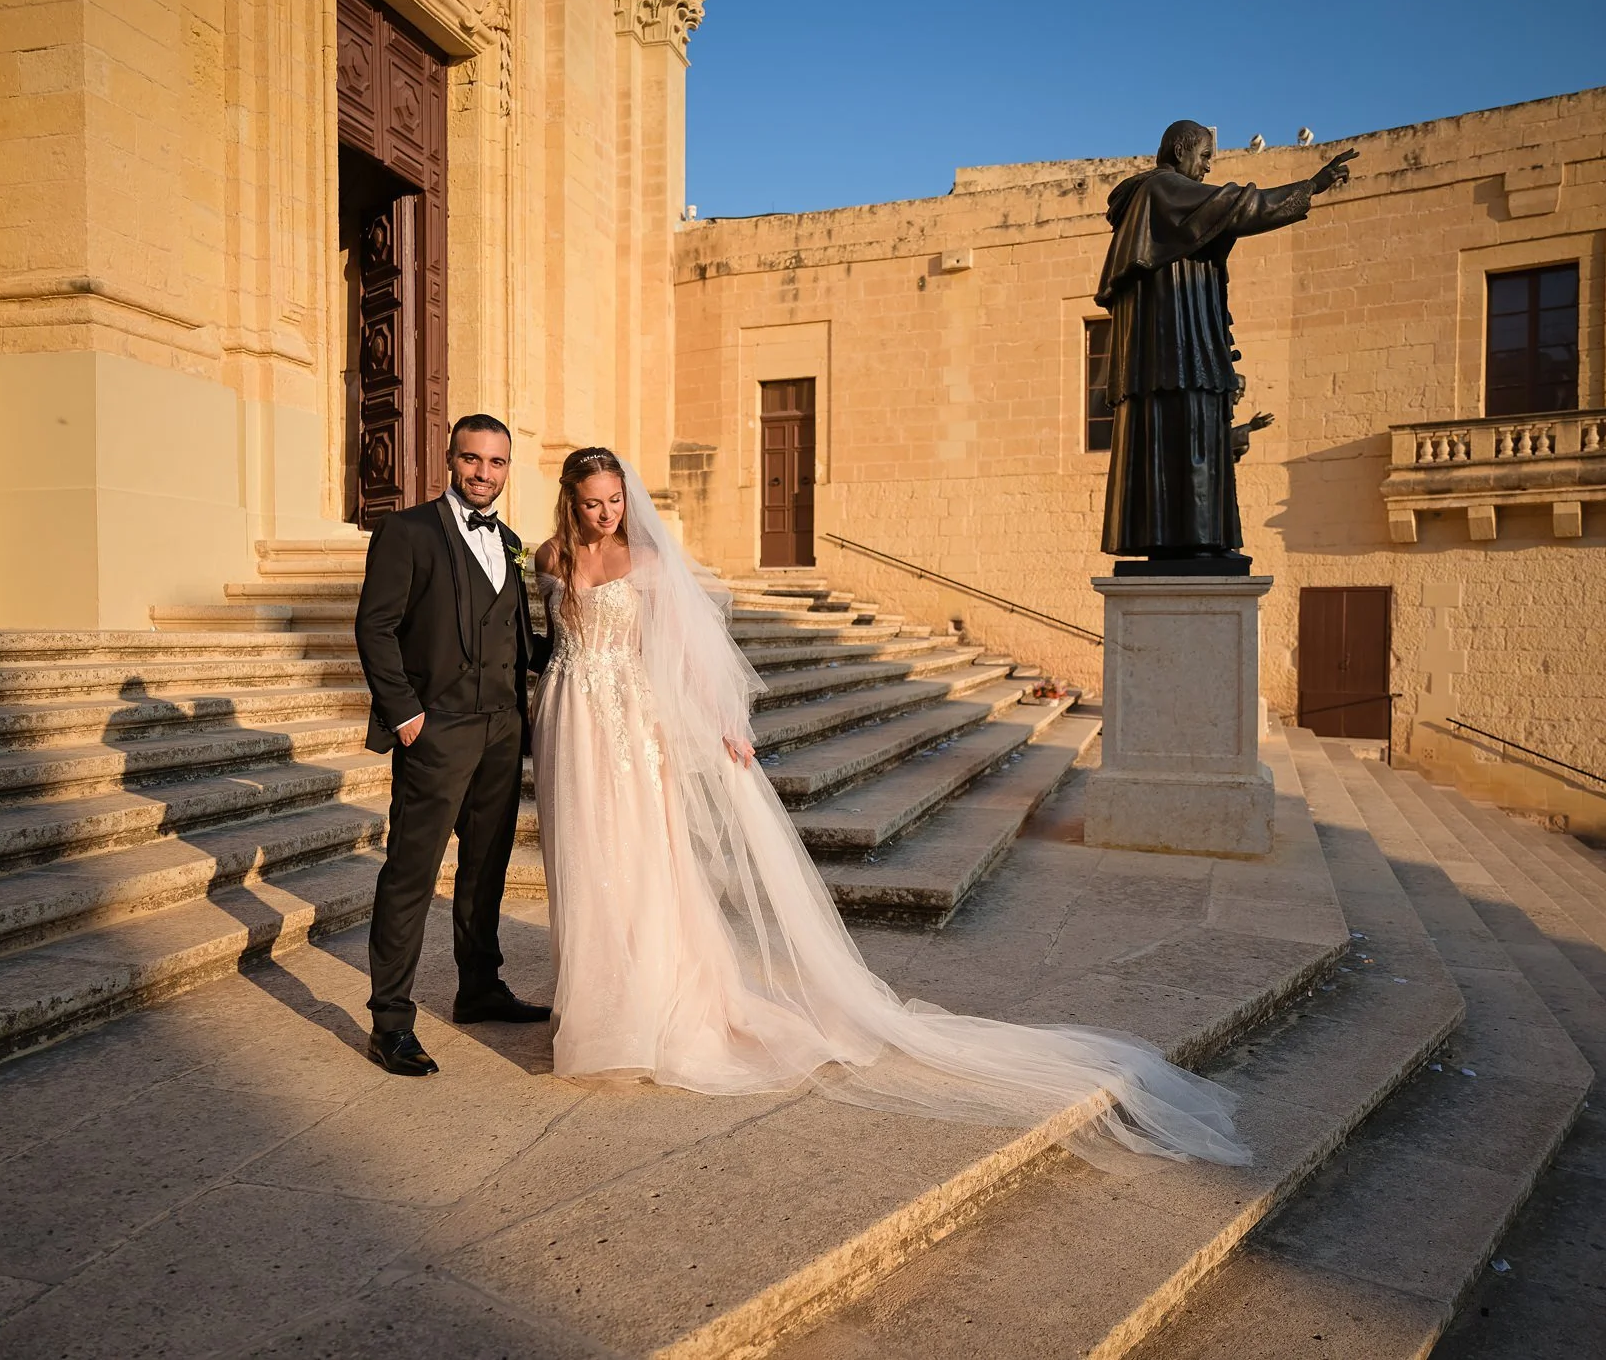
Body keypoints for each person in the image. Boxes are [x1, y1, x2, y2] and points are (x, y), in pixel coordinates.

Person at [528, 446, 1249, 1168]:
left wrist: (724, 722)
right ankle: (595, 1002)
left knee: (643, 863)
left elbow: (689, 649)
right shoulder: (548, 559)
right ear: (570, 498)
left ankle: (649, 1007)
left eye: (615, 500)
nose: (607, 513)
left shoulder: (646, 561)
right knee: (586, 860)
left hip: (633, 726)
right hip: (571, 720)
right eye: (593, 502)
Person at [353, 413, 552, 1078]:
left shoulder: (513, 541)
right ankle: (390, 1021)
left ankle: (479, 985)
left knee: (487, 864)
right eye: (472, 459)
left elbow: (520, 639)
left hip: (501, 728)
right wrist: (406, 715)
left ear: (506, 468)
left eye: (496, 462)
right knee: (412, 872)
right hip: (435, 727)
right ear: (449, 458)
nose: (483, 473)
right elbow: (375, 627)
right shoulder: (406, 532)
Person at [1095, 120, 1355, 564]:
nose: (1208, 167)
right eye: (1205, 156)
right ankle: (1188, 540)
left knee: (1198, 426)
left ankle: (1200, 537)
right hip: (1177, 348)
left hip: (1183, 342)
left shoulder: (1156, 199)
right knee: (1189, 424)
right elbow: (1237, 206)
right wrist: (1311, 185)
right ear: (1180, 150)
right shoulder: (1163, 191)